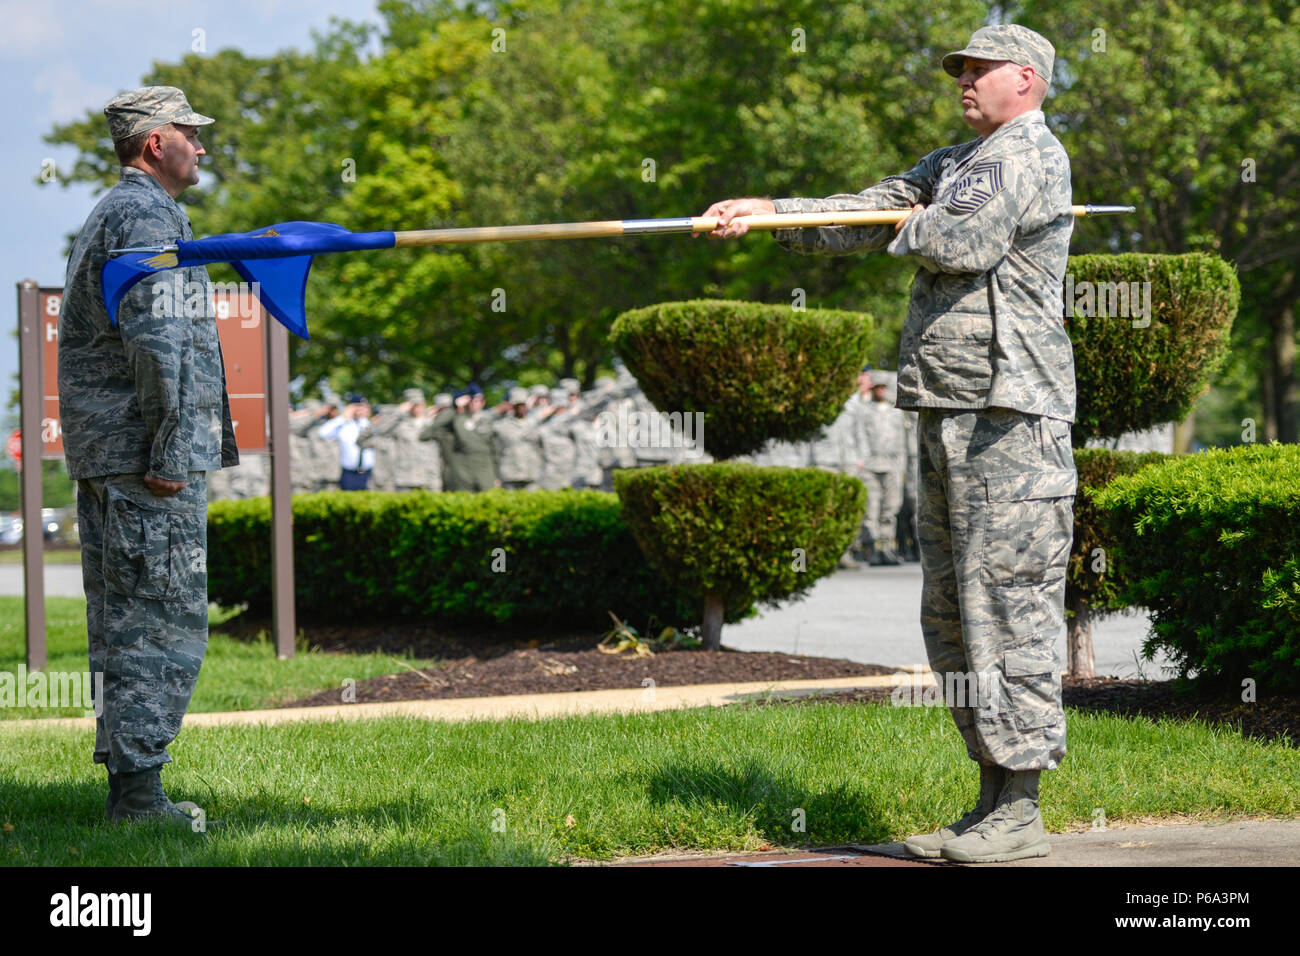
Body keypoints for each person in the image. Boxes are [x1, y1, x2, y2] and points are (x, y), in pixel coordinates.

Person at [703, 24, 1074, 863]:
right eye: (960, 72)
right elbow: (870, 210)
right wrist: (772, 215)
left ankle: (1022, 806)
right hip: (952, 405)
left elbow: (957, 241)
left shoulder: (1026, 155)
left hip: (1011, 414)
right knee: (953, 611)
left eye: (978, 70)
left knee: (1007, 606)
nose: (963, 82)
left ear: (1027, 77)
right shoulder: (959, 164)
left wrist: (911, 217)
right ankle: (988, 801)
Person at [58, 86, 237, 826]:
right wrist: (169, 446)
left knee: (127, 618)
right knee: (157, 622)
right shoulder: (144, 213)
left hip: (119, 454)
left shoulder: (121, 211)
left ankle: (130, 789)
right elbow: (158, 341)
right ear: (155, 142)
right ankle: (138, 799)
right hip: (144, 460)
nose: (202, 145)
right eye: (190, 133)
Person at [318, 393, 374, 490]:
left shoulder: (368, 424)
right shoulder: (343, 424)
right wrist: (343, 417)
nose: (359, 410)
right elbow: (322, 433)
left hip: (368, 473)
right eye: (356, 407)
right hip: (349, 472)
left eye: (362, 407)